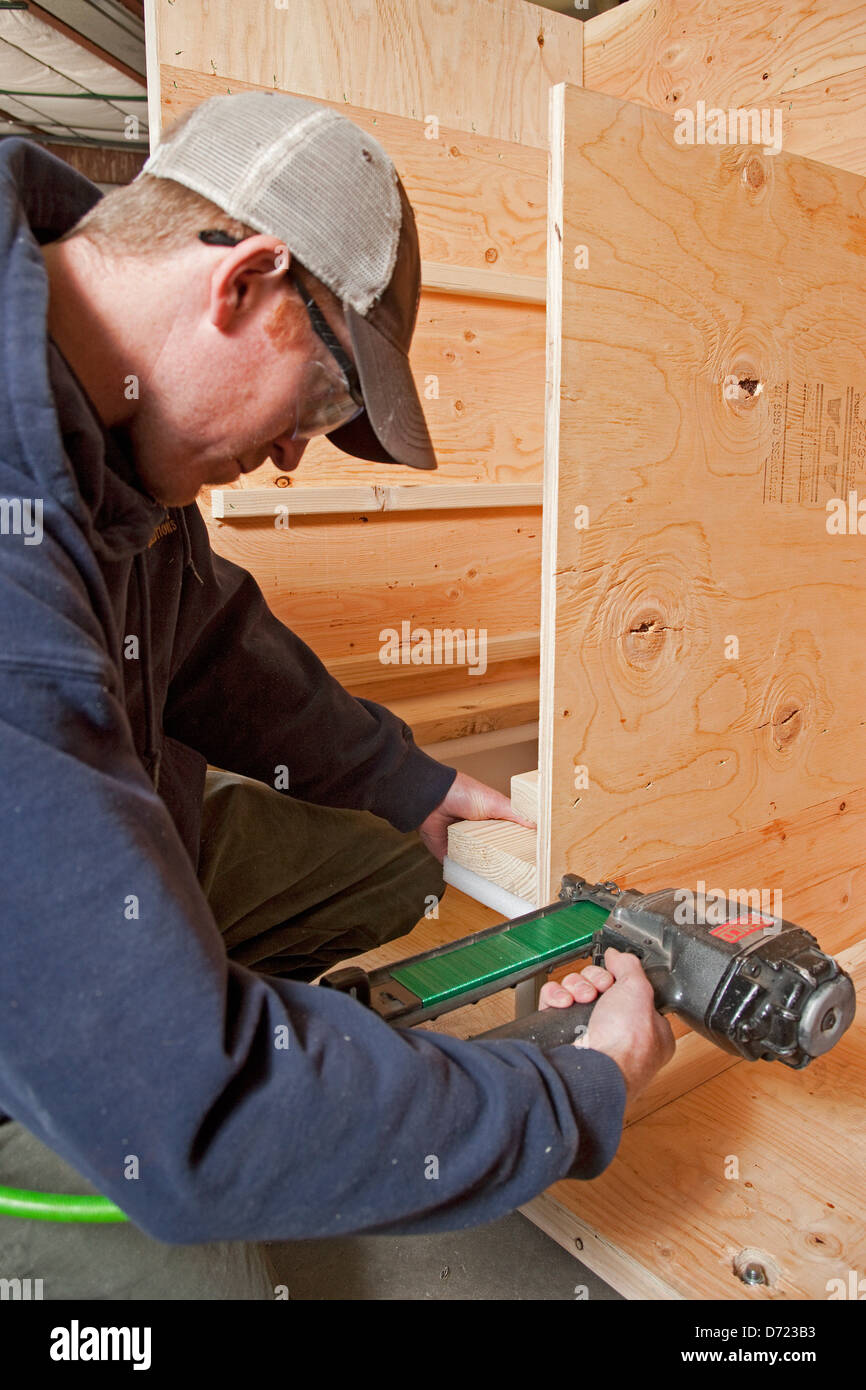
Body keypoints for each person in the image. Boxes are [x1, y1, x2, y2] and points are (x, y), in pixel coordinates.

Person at [0, 91, 674, 1299]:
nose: (297, 452)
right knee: (201, 1261)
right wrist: (580, 1092)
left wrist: (404, 782)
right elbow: (195, 1112)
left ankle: (247, 1036)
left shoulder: (82, 395)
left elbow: (199, 634)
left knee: (394, 861)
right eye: (319, 403)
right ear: (246, 281)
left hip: (62, 842)